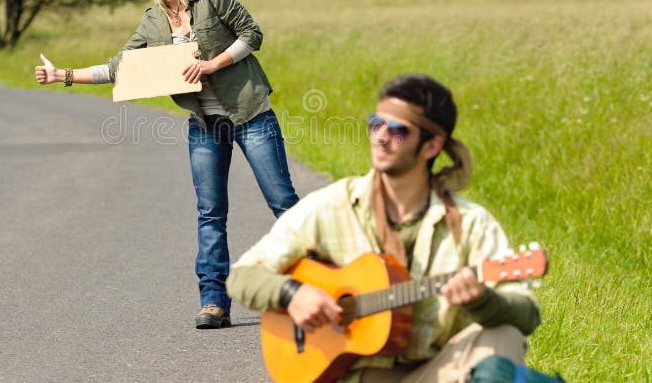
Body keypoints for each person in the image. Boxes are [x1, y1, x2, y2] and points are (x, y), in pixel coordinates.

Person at [34, 0, 300, 329]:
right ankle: (214, 303)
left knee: (283, 203)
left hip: (249, 113)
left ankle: (322, 283)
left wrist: (212, 65)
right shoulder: (153, 21)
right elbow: (121, 67)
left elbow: (252, 35)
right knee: (210, 214)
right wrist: (65, 76)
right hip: (205, 127)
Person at [227, 74, 541, 382]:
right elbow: (242, 276)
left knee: (503, 336)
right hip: (349, 375)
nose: (381, 136)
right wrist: (293, 293)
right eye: (376, 124)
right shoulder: (331, 206)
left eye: (399, 130)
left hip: (435, 371)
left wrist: (483, 301)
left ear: (432, 146)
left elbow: (527, 313)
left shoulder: (470, 223)